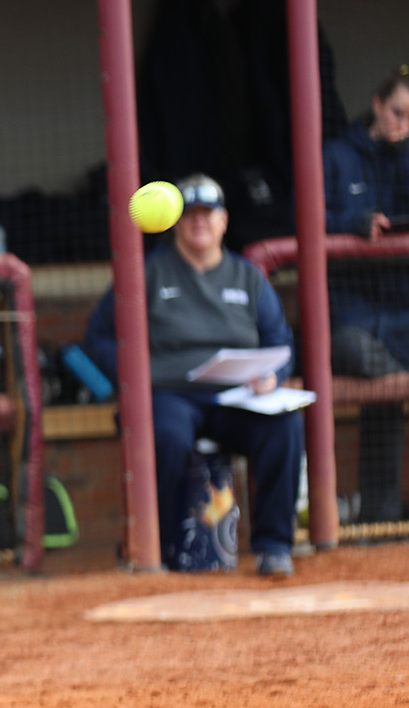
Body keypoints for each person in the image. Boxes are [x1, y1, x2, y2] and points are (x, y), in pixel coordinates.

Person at [84, 174, 304, 576]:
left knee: (284, 426)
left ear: (224, 220)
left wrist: (273, 375)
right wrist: (136, 377)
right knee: (166, 436)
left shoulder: (248, 277)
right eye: (189, 214)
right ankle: (165, 549)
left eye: (208, 212)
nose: (199, 221)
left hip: (236, 397)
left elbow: (280, 341)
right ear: (174, 221)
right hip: (170, 395)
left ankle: (274, 546)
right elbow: (98, 336)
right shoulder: (147, 273)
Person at [324, 65, 409, 523]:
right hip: (355, 317)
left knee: (388, 386)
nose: (405, 125)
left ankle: (386, 517)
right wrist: (355, 224)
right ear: (378, 104)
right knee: (374, 371)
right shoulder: (336, 155)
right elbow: (303, 217)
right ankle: (381, 519)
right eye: (399, 113)